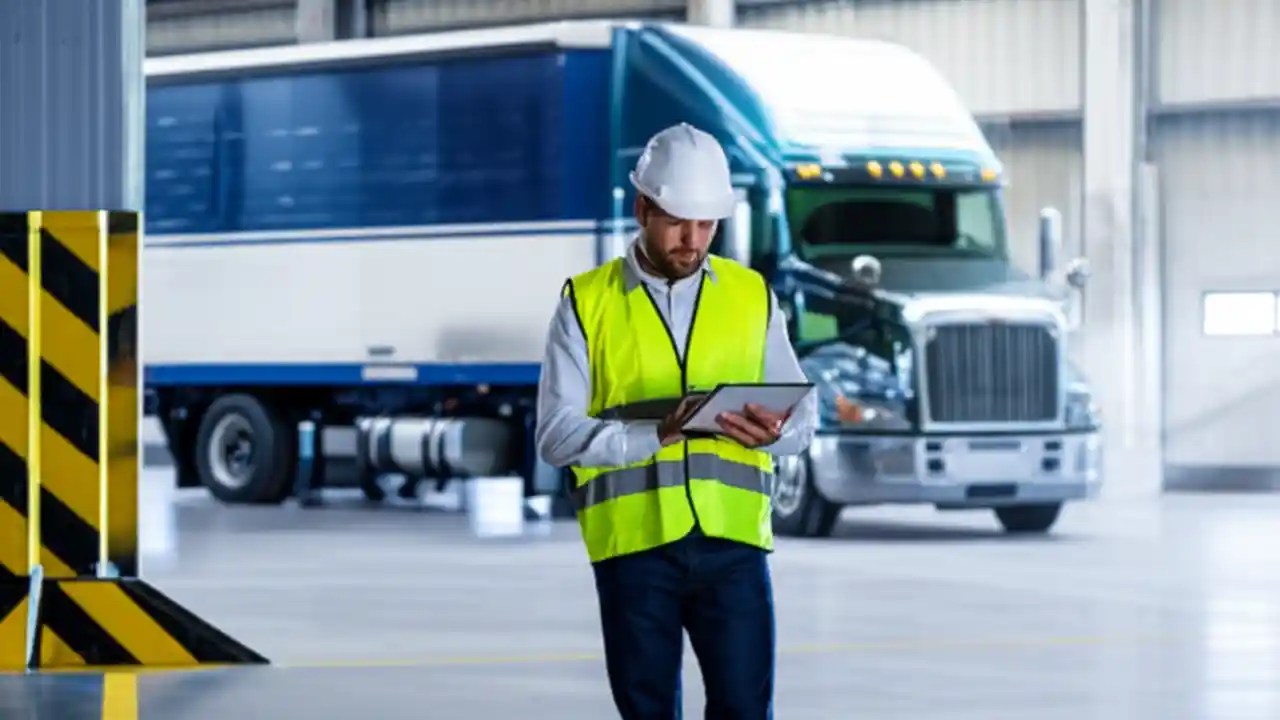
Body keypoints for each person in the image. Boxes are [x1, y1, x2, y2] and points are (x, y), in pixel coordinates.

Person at [535, 122, 817, 719]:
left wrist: (778, 431)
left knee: (745, 710)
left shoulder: (750, 294)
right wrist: (656, 434)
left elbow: (803, 415)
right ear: (642, 208)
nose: (693, 239)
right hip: (635, 550)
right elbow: (555, 435)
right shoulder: (587, 303)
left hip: (733, 547)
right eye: (677, 222)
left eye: (707, 224)